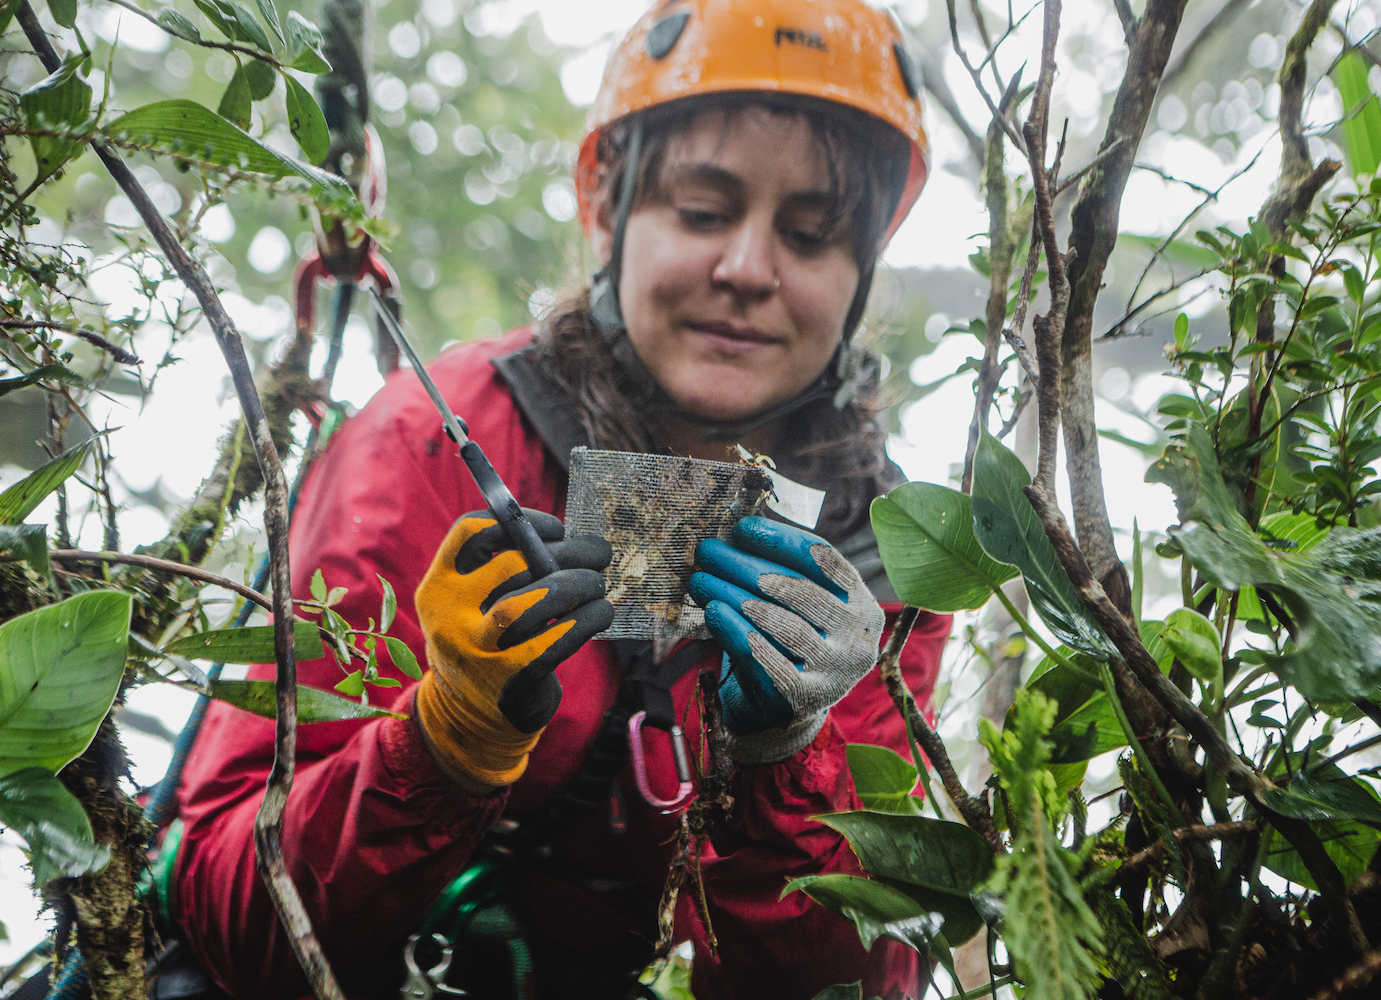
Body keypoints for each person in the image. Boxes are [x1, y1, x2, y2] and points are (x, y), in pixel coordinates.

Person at [171, 1, 953, 997]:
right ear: (607, 208)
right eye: (704, 212)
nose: (747, 269)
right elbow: (229, 913)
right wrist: (444, 738)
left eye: (809, 234)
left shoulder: (881, 558)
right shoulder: (436, 441)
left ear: (862, 267)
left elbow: (852, 983)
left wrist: (789, 757)